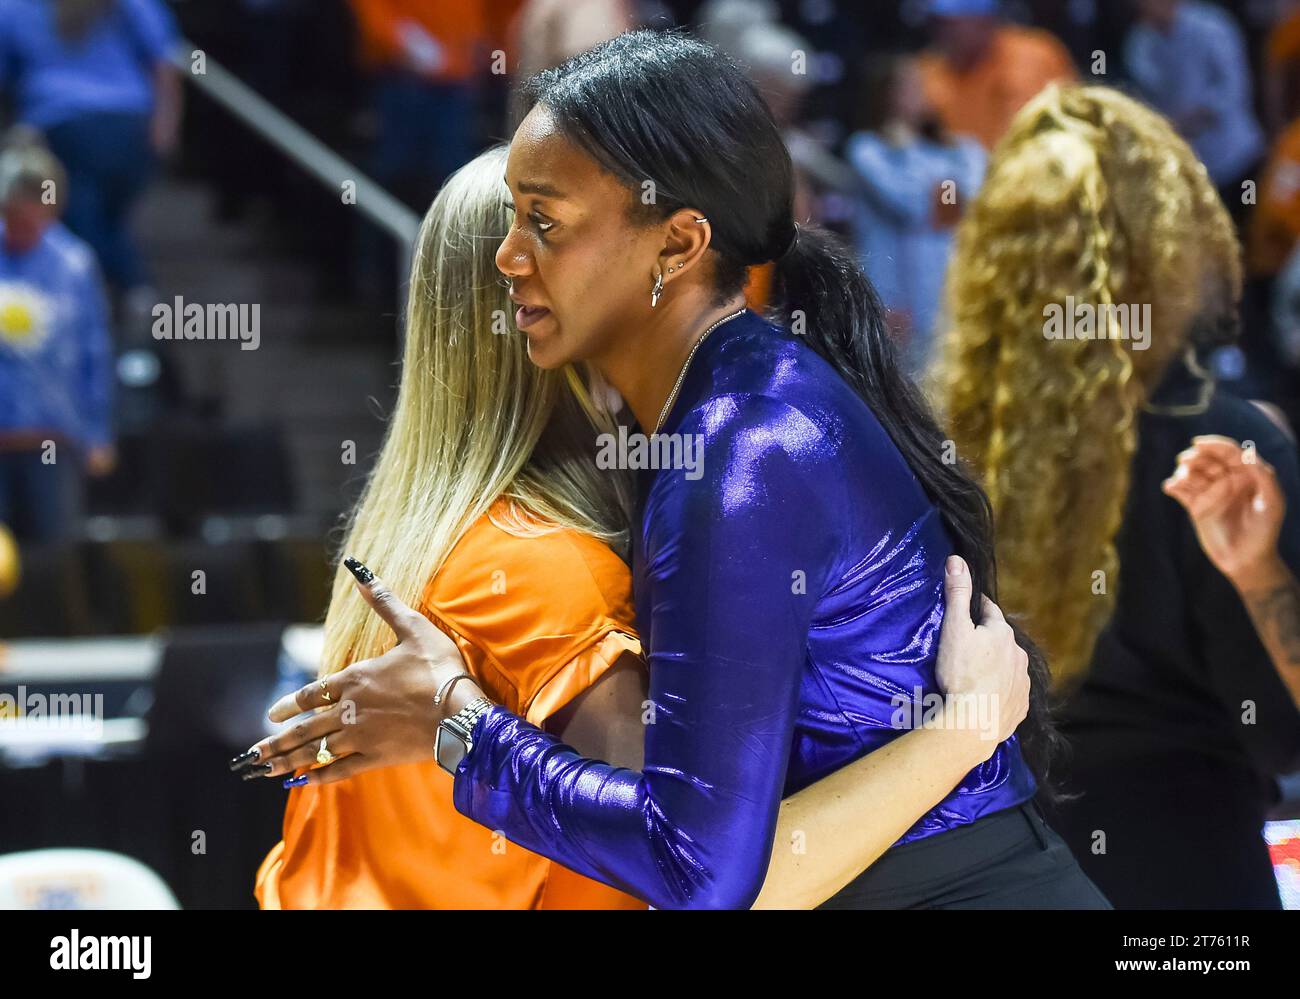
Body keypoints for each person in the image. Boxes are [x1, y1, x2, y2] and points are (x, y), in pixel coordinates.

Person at [244, 32, 1107, 910]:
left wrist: (460, 727)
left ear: (677, 243)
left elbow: (697, 866)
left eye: (543, 221)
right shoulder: (729, 414)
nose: (509, 256)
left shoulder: (739, 449)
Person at [935, 83, 1300, 908]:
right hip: (1192, 877)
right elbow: (1284, 729)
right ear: (1173, 244)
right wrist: (1260, 573)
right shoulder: (1226, 449)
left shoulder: (928, 445)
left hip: (991, 866)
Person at [0, 0, 181, 301]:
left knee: (86, 230)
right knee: (102, 226)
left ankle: (125, 297)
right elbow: (164, 60)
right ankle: (134, 299)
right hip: (128, 127)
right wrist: (166, 126)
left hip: (70, 130)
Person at [0, 133, 114, 542]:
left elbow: (93, 352)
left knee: (54, 559)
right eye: (15, 218)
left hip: (52, 439)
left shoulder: (73, 264)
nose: (24, 228)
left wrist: (98, 433)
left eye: (34, 219)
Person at [846, 54, 985, 376]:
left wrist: (920, 164)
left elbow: (973, 201)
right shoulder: (867, 149)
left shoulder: (957, 148)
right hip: (892, 290)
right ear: (887, 95)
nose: (922, 93)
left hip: (939, 287)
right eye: (909, 86)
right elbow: (911, 205)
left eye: (921, 85)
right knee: (899, 386)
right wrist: (907, 153)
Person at [1124, 0, 1264, 211]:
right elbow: (1145, 98)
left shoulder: (1210, 25)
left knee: (1248, 223)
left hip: (1235, 153)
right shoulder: (1140, 43)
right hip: (1190, 164)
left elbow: (1235, 85)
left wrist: (1200, 113)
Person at [916, 0, 1076, 151]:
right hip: (962, 174)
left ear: (985, 21)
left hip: (1033, 168)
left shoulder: (1036, 55)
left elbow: (1075, 121)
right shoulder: (926, 71)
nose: (943, 33)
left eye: (951, 24)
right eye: (937, 23)